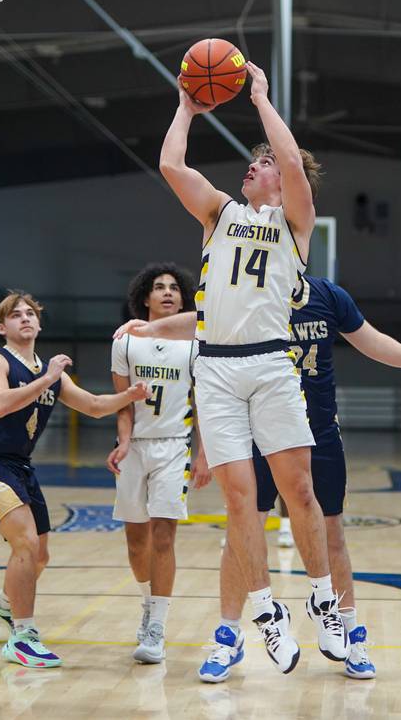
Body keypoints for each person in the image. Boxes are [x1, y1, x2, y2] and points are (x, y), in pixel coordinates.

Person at [115, 274, 401, 681]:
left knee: (332, 530)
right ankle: (228, 634)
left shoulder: (328, 295)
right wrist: (152, 327)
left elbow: (371, 340)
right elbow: (200, 318)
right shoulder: (246, 288)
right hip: (257, 429)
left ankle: (348, 631)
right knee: (242, 528)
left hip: (318, 432)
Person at [158, 61, 347, 674]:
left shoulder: (295, 224)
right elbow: (171, 167)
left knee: (300, 492)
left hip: (270, 366)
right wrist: (188, 108)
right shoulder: (219, 213)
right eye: (252, 161)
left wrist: (262, 98)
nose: (253, 166)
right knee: (241, 502)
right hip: (214, 370)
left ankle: (323, 602)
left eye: (259, 162)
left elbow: (292, 166)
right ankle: (266, 613)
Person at [0, 291, 150, 668]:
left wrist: (128, 395)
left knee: (40, 556)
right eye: (15, 315)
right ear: (2, 327)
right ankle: (22, 635)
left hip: (21, 465)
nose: (25, 319)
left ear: (39, 322)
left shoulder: (50, 372)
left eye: (30, 313)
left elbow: (94, 406)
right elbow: (1, 404)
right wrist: (48, 377)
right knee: (26, 544)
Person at [105, 262, 210, 664]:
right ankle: (147, 602)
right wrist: (124, 440)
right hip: (136, 449)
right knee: (136, 543)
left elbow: (204, 404)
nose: (168, 293)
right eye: (158, 287)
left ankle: (158, 626)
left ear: (183, 299)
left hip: (174, 448)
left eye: (174, 289)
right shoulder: (125, 342)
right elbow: (122, 404)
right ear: (144, 298)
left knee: (164, 536)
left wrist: (203, 455)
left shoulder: (195, 344)